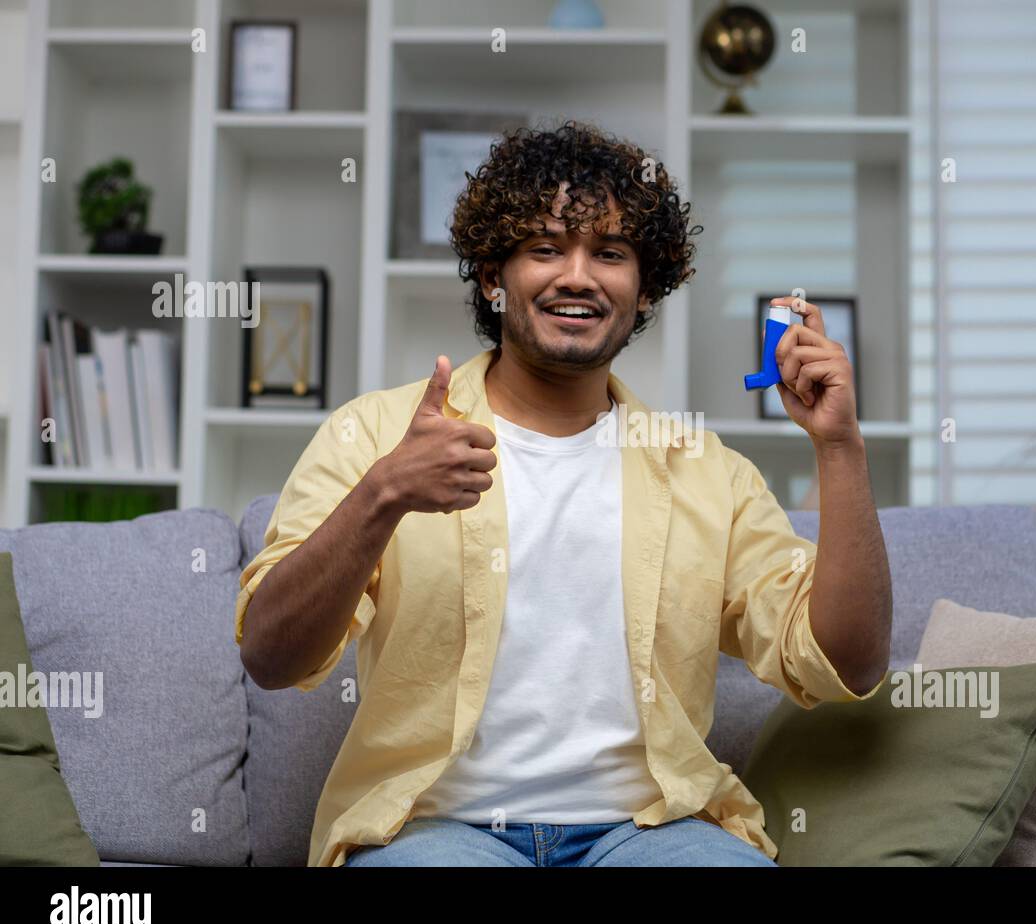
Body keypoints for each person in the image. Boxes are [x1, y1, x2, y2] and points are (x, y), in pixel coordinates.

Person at [235, 119, 892, 867]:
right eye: (545, 248)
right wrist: (383, 494)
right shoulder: (375, 436)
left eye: (609, 254)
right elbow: (270, 656)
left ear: (644, 292)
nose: (577, 275)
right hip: (439, 834)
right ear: (493, 276)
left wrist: (839, 448)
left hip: (649, 833)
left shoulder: (705, 470)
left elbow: (846, 663)